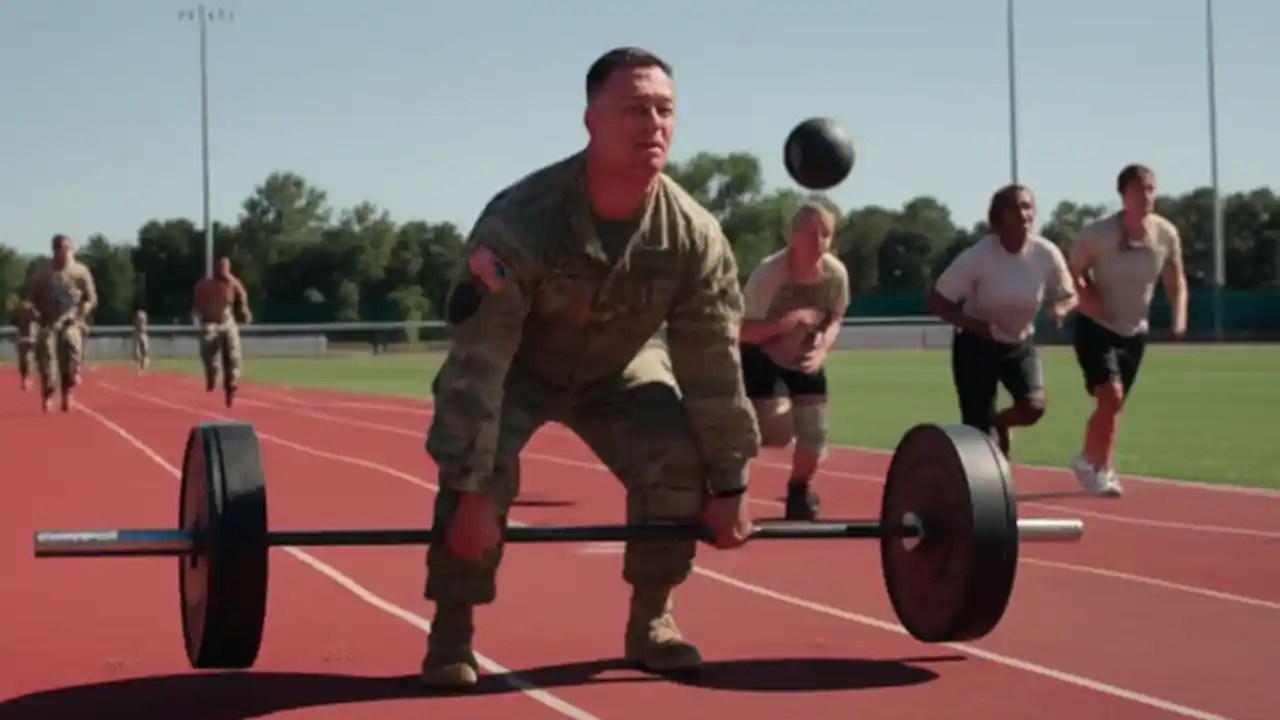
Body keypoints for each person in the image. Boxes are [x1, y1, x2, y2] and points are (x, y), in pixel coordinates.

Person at [420, 46, 760, 689]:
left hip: (619, 370)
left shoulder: (694, 237)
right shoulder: (521, 222)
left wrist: (730, 485)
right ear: (590, 121)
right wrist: (470, 493)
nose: (652, 123)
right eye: (633, 108)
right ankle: (452, 631)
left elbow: (713, 367)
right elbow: (478, 366)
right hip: (518, 367)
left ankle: (653, 620)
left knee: (677, 458)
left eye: (664, 110)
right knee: (481, 473)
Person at [926, 184, 1077, 458]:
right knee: (977, 431)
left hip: (1019, 342)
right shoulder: (978, 256)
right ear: (999, 216)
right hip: (976, 344)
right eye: (1015, 208)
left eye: (1028, 207)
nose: (1023, 214)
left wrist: (1061, 307)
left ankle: (1000, 423)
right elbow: (938, 300)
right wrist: (974, 325)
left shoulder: (1045, 253)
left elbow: (1069, 294)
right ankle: (985, 484)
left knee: (1033, 407)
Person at [1066, 163, 1187, 497]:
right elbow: (1071, 270)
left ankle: (1086, 459)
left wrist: (1179, 320)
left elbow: (1176, 280)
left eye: (1151, 188)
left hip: (1134, 331)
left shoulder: (1165, 234)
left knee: (1112, 406)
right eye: (1139, 189)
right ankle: (1103, 469)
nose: (1147, 195)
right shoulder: (1098, 234)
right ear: (1123, 195)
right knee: (1111, 396)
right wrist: (1088, 298)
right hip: (1096, 326)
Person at [738, 202, 850, 520]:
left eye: (825, 234)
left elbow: (836, 315)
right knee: (774, 434)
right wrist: (784, 324)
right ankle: (723, 483)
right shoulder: (768, 274)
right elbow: (741, 331)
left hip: (804, 354)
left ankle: (799, 492)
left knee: (814, 435)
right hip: (759, 352)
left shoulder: (835, 274)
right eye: (810, 234)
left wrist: (823, 347)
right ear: (792, 237)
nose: (818, 242)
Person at [24, 234, 97, 412]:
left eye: (67, 248)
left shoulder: (80, 272)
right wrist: (30, 309)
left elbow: (91, 297)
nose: (63, 253)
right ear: (53, 251)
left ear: (72, 250)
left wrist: (85, 308)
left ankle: (68, 391)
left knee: (71, 355)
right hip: (48, 321)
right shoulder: (43, 275)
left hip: (71, 321)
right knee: (47, 357)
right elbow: (29, 300)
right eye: (59, 249)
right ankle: (48, 394)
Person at [192, 257, 252, 406]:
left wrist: (243, 310)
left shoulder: (233, 283)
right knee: (208, 348)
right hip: (210, 322)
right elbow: (197, 307)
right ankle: (212, 373)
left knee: (233, 352)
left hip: (227, 320)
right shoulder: (204, 286)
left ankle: (231, 382)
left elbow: (242, 296)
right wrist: (199, 318)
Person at [11, 300, 38, 390]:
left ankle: (29, 378)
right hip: (23, 338)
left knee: (30, 359)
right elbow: (14, 321)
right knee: (24, 360)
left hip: (31, 338)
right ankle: (24, 379)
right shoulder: (20, 315)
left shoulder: (34, 313)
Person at [132, 309, 150, 374]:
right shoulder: (137, 326)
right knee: (138, 353)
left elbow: (143, 329)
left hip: (142, 336)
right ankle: (139, 369)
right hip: (138, 336)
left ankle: (143, 368)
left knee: (145, 352)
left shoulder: (143, 325)